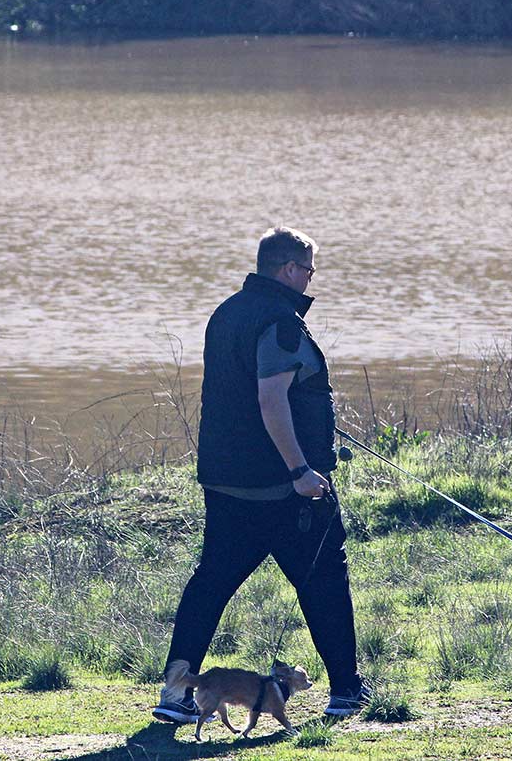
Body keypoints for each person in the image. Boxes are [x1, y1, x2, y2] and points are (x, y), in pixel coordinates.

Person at [153, 226, 368, 725]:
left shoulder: (227, 312)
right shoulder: (281, 323)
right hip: (282, 489)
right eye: (310, 270)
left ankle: (175, 693)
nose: (312, 280)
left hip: (226, 482)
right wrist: (300, 469)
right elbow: (270, 400)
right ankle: (345, 692)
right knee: (324, 581)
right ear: (289, 269)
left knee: (209, 585)